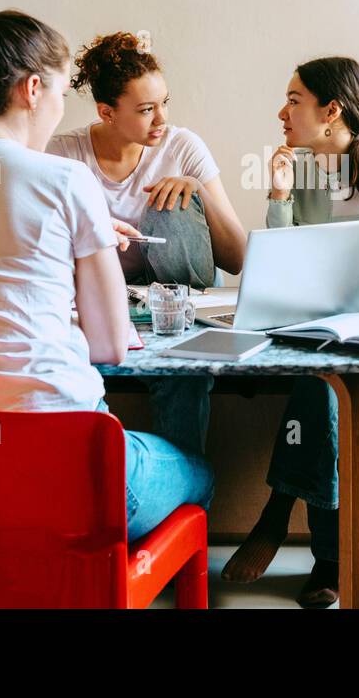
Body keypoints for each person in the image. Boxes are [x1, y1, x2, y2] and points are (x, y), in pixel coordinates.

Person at [0, 3, 213, 544]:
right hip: (62, 473)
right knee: (199, 472)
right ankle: (96, 580)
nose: (59, 111)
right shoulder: (64, 179)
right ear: (31, 90)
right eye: (57, 94)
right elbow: (110, 346)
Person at [221, 56, 359, 607]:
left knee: (320, 378)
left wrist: (340, 297)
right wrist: (280, 194)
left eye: (293, 100)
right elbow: (283, 256)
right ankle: (329, 557)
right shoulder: (302, 166)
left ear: (331, 110)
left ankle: (280, 515)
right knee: (317, 371)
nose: (280, 112)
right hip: (306, 315)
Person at [47, 32, 247, 453]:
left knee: (171, 205)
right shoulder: (65, 155)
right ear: (107, 112)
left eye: (164, 103)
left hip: (178, 309)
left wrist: (196, 190)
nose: (162, 120)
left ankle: (182, 496)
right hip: (102, 308)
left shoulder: (183, 146)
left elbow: (237, 258)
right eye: (145, 110)